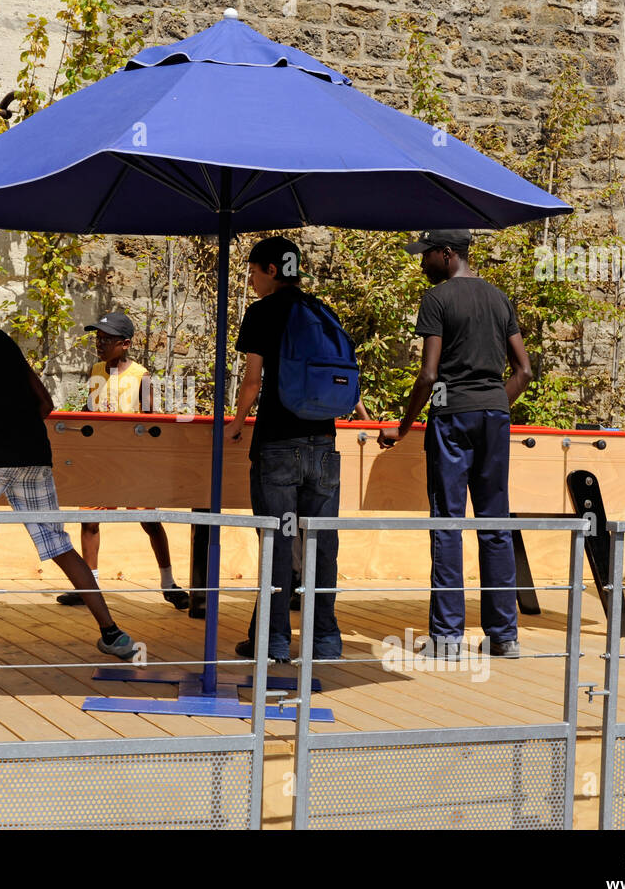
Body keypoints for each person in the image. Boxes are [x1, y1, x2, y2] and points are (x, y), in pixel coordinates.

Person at [0, 268, 139, 671]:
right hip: (35, 454)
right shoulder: (4, 341)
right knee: (57, 543)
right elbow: (45, 403)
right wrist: (16, 428)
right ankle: (113, 635)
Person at [378, 229, 533, 660]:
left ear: (448, 255)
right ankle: (504, 637)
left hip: (450, 419)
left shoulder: (439, 299)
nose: (420, 263)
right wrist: (491, 403)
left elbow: (429, 376)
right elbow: (524, 371)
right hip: (495, 419)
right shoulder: (499, 298)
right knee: (494, 523)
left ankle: (446, 639)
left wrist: (404, 427)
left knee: (448, 521)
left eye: (426, 256)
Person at [225, 237, 352, 663]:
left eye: (254, 272)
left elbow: (252, 381)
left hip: (278, 444)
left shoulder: (262, 313)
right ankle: (325, 639)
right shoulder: (322, 311)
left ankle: (274, 640)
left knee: (278, 542)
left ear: (272, 271)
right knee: (321, 543)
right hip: (324, 445)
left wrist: (239, 422)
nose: (251, 280)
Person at [55, 311, 190, 611]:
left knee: (150, 521)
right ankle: (90, 584)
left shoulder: (141, 376)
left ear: (125, 344)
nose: (99, 344)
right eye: (97, 339)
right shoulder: (95, 371)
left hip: (131, 461)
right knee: (89, 521)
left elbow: (150, 418)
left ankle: (168, 583)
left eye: (106, 340)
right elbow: (91, 411)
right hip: (101, 459)